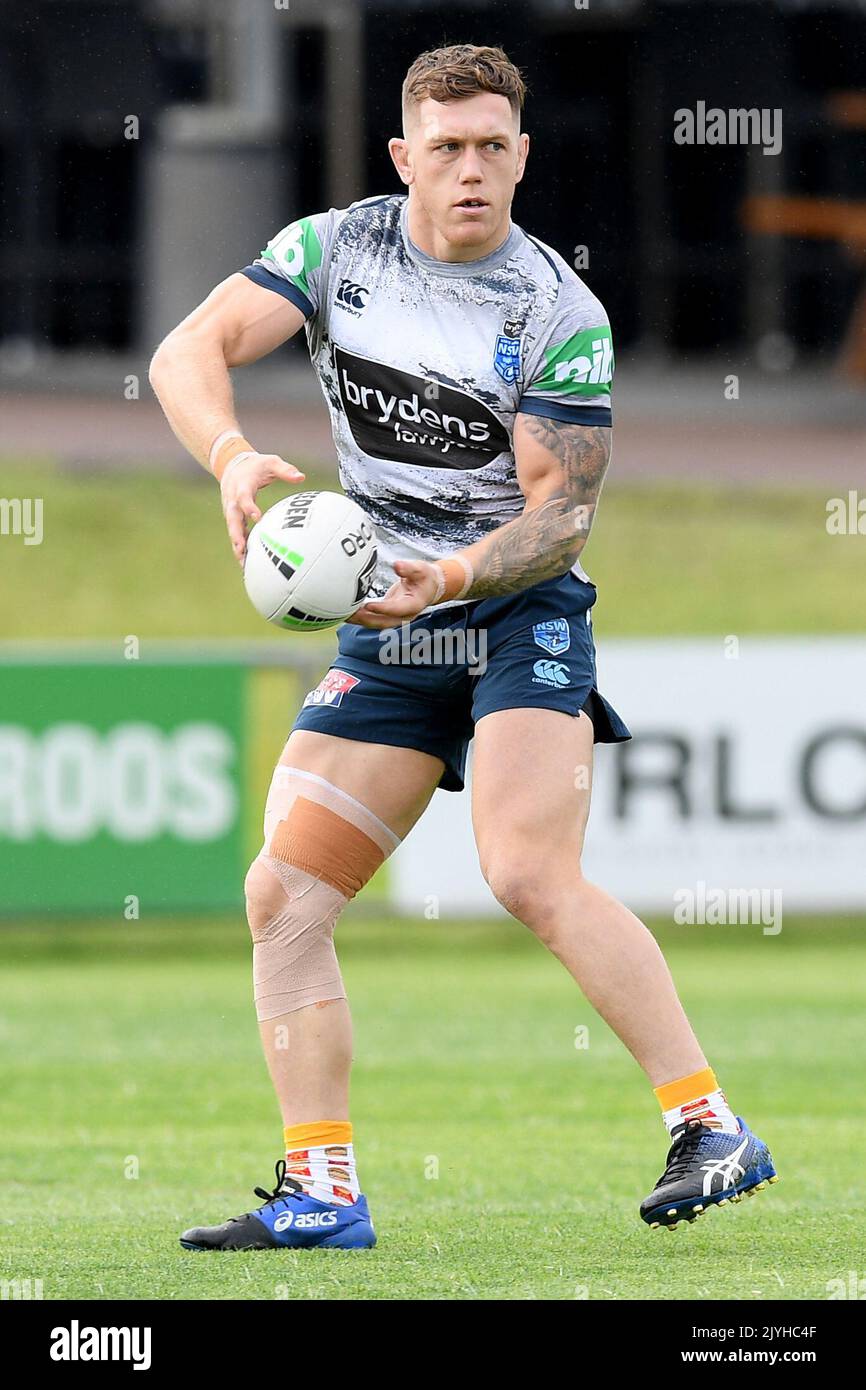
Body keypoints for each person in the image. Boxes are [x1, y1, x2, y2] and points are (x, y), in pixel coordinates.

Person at [149, 43, 776, 1252]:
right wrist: (231, 458)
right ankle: (323, 1191)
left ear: (523, 156)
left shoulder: (556, 310)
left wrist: (442, 575)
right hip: (389, 625)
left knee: (525, 870)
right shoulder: (337, 251)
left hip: (513, 613)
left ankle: (708, 1124)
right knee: (281, 894)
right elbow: (188, 351)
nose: (471, 168)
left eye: (493, 146)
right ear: (403, 158)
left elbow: (559, 518)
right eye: (446, 148)